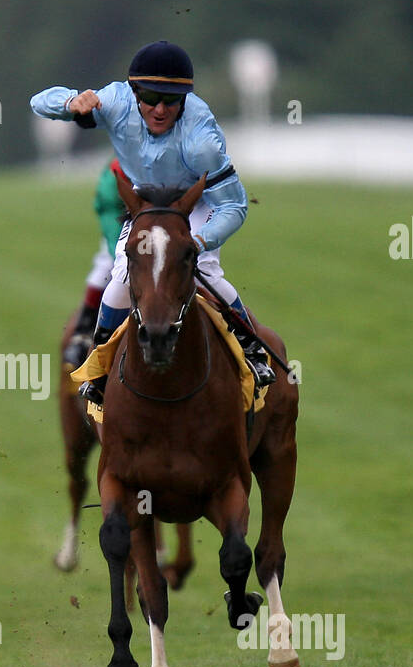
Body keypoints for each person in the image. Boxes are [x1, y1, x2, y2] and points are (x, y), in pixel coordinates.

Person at [31, 40, 275, 405]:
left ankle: (252, 350)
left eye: (171, 100)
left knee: (204, 269)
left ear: (185, 100)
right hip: (147, 204)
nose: (160, 109)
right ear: (134, 91)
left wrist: (201, 241)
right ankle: (99, 367)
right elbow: (39, 102)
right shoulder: (115, 102)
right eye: (149, 96)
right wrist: (71, 103)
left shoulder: (201, 141)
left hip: (197, 203)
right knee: (118, 280)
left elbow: (235, 207)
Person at [63, 157, 128, 369]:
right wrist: (122, 255)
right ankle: (81, 336)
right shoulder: (115, 173)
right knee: (108, 267)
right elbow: (112, 229)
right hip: (119, 219)